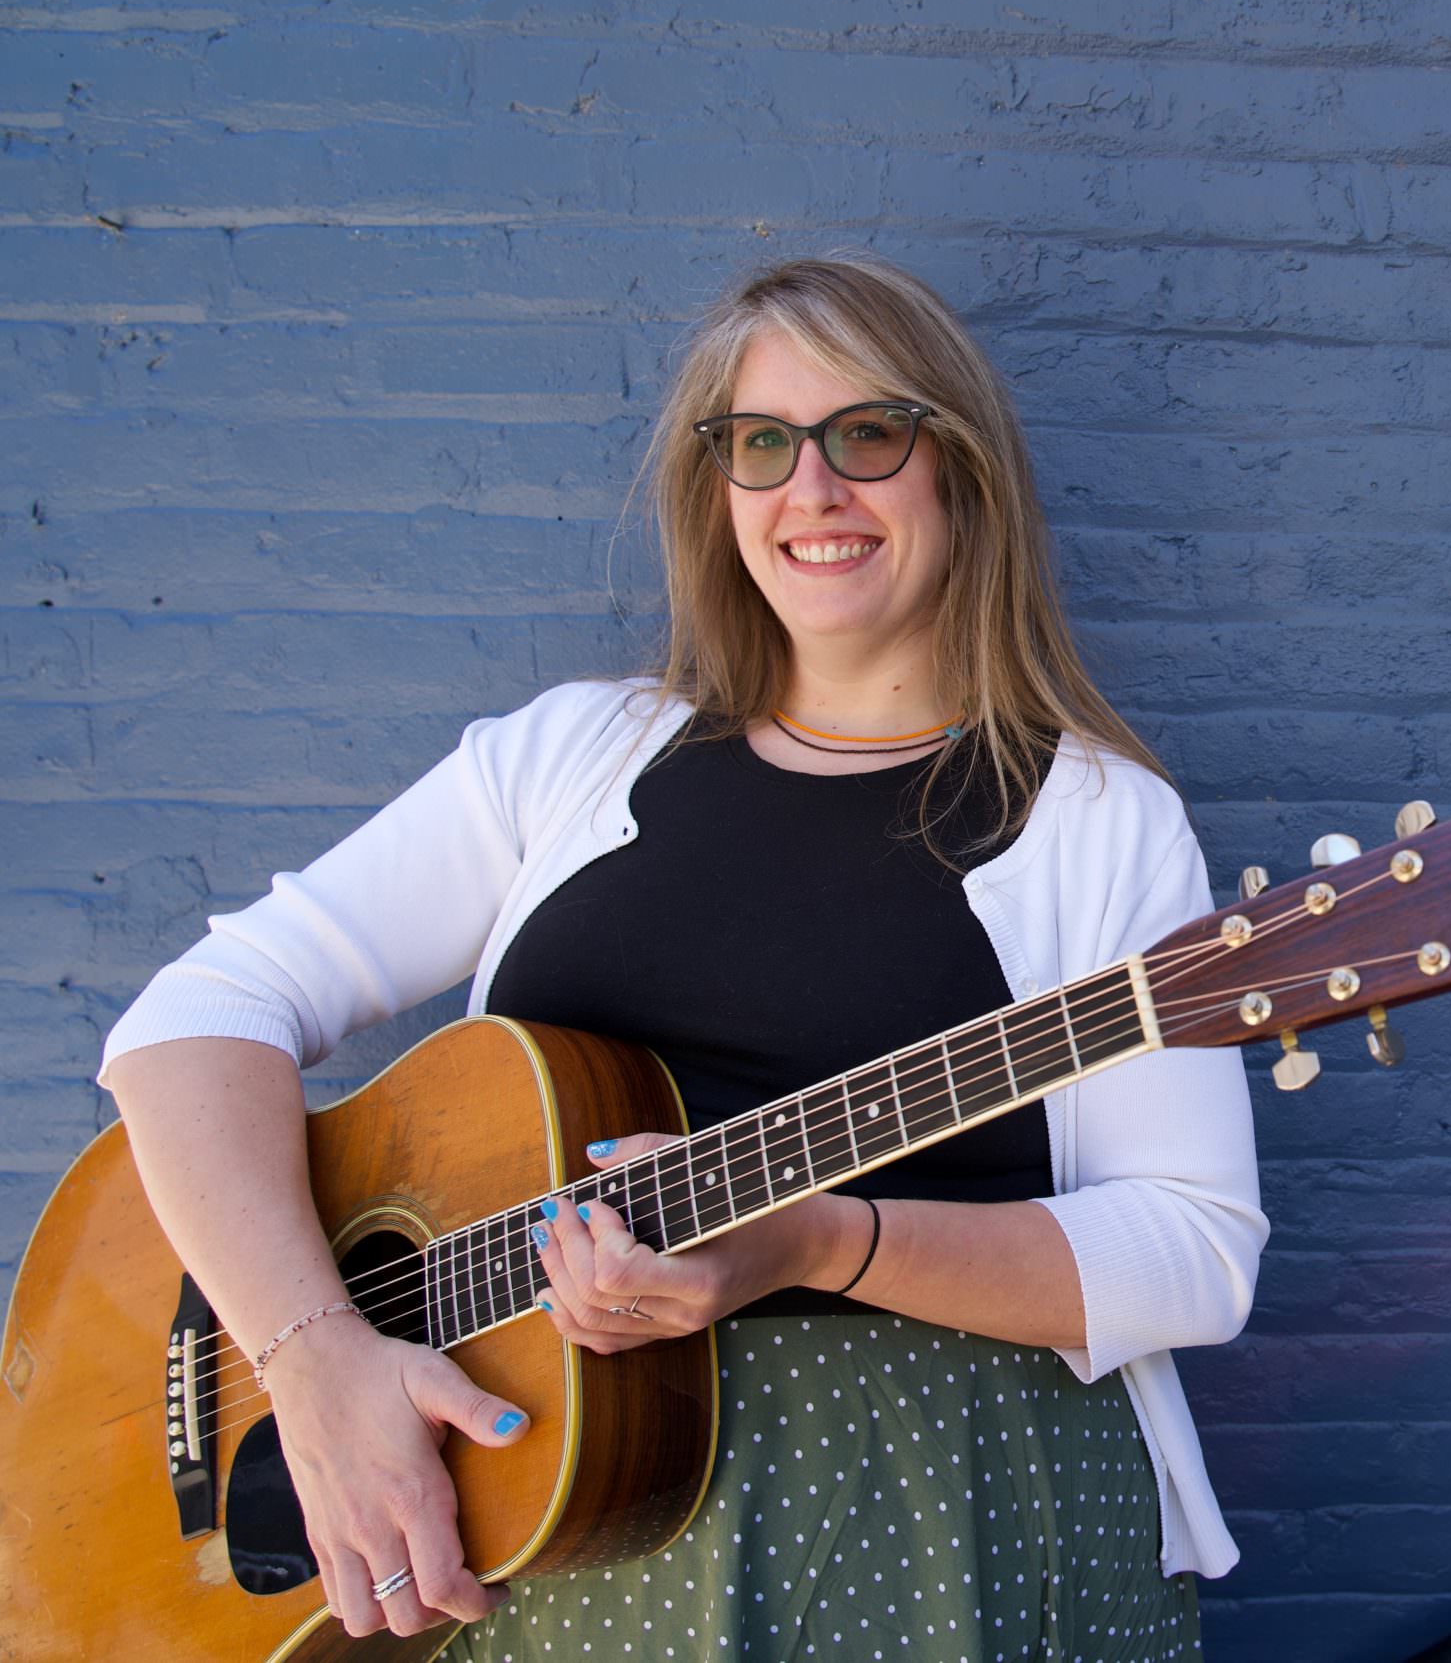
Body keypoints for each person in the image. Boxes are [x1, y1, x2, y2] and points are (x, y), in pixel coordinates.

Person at [97, 254, 1265, 1660]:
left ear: (959, 470)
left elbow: (1196, 1256)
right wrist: (317, 1359)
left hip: (941, 1534)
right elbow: (191, 1023)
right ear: (716, 491)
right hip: (555, 1559)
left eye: (868, 435)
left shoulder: (1090, 819)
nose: (811, 491)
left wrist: (819, 1239)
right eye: (761, 444)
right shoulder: (576, 757)